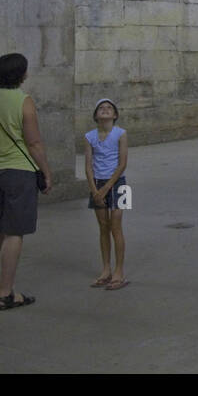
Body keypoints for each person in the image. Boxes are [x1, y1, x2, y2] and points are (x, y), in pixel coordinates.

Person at [0, 52, 52, 310]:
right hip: (18, 171)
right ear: (23, 75)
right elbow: (34, 142)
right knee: (14, 232)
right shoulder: (24, 101)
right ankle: (6, 293)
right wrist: (46, 172)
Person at [84, 98, 129, 290]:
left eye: (109, 108)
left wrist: (105, 188)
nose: (105, 110)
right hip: (97, 184)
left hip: (119, 184)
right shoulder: (89, 136)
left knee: (116, 226)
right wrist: (95, 190)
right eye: (101, 108)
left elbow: (122, 164)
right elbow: (88, 166)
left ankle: (119, 271)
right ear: (96, 115)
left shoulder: (121, 134)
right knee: (103, 227)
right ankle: (106, 269)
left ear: (115, 115)